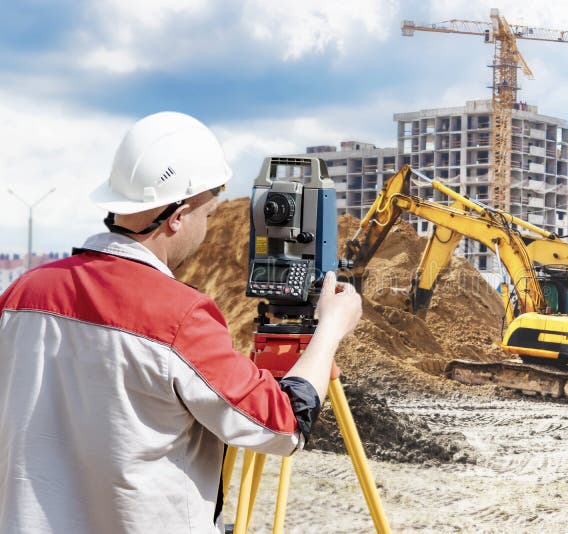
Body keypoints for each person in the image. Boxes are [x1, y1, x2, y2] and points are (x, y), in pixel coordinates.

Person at [0, 112, 362, 533]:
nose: (207, 228)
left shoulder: (20, 294)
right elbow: (281, 424)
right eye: (206, 215)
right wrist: (330, 330)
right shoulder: (179, 316)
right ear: (177, 217)